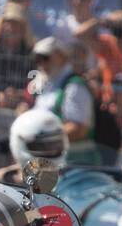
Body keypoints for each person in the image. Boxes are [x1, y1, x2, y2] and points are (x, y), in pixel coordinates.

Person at [29, 36, 103, 166]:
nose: (41, 64)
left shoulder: (75, 86)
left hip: (76, 164)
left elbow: (78, 129)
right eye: (38, 59)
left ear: (62, 57)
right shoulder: (47, 84)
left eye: (45, 58)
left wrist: (42, 142)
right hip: (50, 161)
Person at [0, 108, 68, 187]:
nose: (52, 150)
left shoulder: (70, 180)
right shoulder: (1, 181)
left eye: (56, 144)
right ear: (19, 145)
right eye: (41, 146)